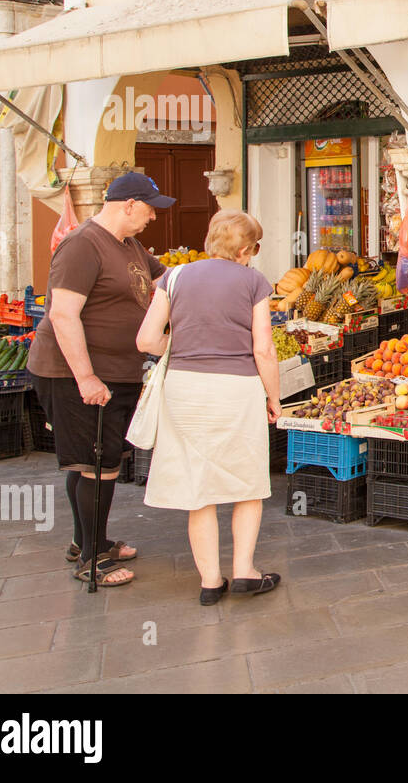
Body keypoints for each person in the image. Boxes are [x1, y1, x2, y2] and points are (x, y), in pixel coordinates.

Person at [27, 171, 176, 587]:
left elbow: (161, 279)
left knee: (89, 459)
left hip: (118, 370)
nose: (152, 217)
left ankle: (86, 541)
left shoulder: (128, 243)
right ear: (129, 205)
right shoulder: (82, 245)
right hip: (74, 373)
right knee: (98, 464)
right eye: (149, 209)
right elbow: (62, 314)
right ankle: (93, 561)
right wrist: (87, 377)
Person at [137, 209, 282, 606]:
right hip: (236, 390)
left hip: (184, 390)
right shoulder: (254, 281)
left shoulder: (175, 276)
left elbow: (147, 340)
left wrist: (182, 350)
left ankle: (210, 581)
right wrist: (274, 397)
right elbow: (263, 349)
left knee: (197, 487)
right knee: (247, 482)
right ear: (245, 248)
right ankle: (244, 572)